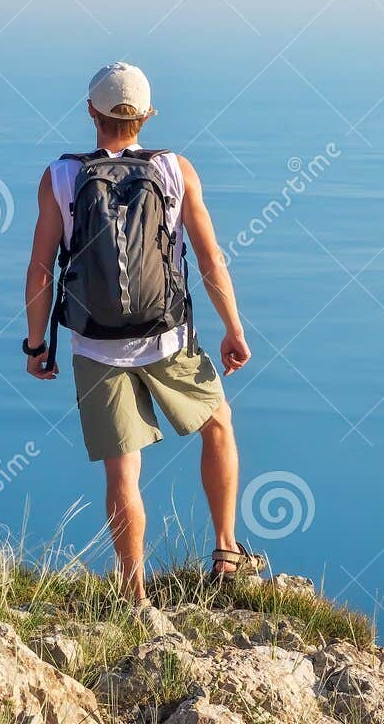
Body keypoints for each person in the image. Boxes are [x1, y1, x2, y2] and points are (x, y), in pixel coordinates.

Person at [22, 62, 265, 604]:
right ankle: (226, 553)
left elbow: (40, 271)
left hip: (94, 344)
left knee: (122, 471)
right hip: (168, 338)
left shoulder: (60, 177)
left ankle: (134, 595)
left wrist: (36, 344)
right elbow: (209, 258)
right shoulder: (175, 171)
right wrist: (234, 329)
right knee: (218, 426)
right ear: (147, 115)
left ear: (92, 111)